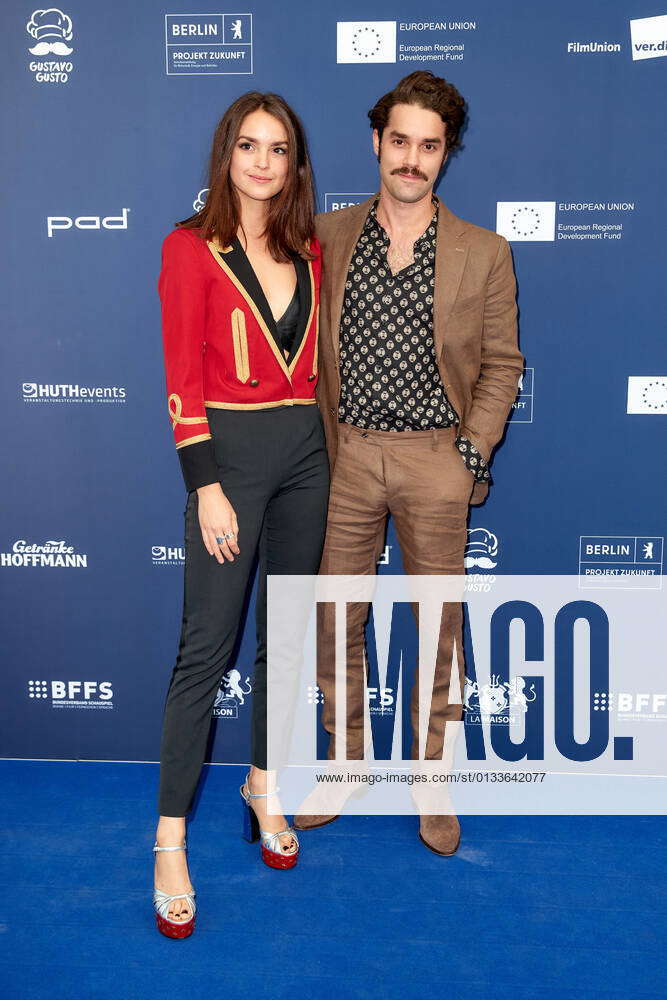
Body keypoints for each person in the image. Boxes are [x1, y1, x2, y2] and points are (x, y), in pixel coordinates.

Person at [293, 71, 524, 854]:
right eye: (400, 142)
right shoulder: (326, 235)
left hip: (436, 461)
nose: (411, 159)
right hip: (347, 453)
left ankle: (432, 780)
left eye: (429, 146)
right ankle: (345, 762)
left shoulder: (483, 252)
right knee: (335, 619)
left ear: (445, 154)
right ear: (376, 143)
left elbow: (501, 363)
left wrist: (470, 451)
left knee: (437, 629)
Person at [152, 91, 330, 937]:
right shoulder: (188, 250)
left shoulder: (310, 249)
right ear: (226, 155)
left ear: (294, 164)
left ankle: (263, 782)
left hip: (307, 457)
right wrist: (206, 484)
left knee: (286, 634)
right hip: (231, 460)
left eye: (279, 149)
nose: (263, 162)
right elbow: (180, 374)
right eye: (248, 146)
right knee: (206, 648)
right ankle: (169, 840)